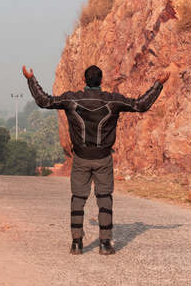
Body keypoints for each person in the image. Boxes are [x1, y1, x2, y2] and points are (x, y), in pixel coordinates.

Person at [22, 64, 169, 255]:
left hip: (81, 157)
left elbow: (44, 101)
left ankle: (76, 243)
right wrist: (159, 83)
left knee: (78, 198)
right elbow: (141, 105)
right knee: (104, 199)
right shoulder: (112, 100)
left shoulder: (71, 99)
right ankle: (105, 244)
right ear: (101, 81)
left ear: (84, 81)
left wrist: (31, 79)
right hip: (103, 158)